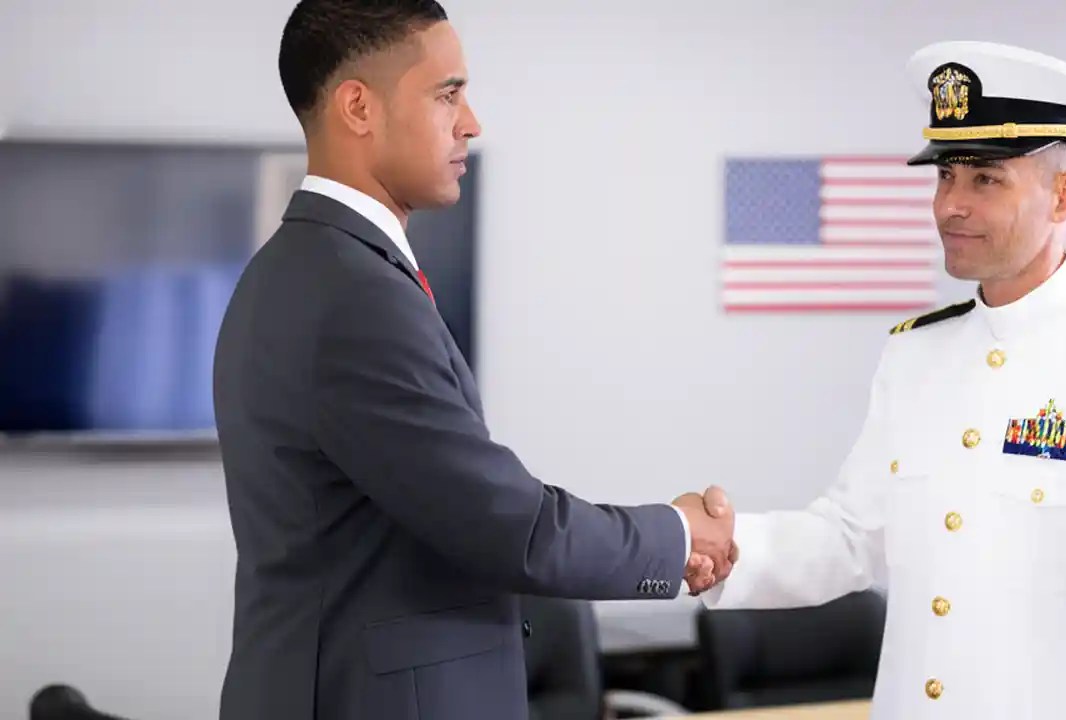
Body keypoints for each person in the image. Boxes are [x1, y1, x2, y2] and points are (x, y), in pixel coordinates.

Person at [212, 2, 734, 718]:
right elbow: (507, 527)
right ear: (358, 106)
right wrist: (674, 537)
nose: (471, 122)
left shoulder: (304, 269)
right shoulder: (353, 296)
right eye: (447, 93)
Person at [691, 41, 1066, 719]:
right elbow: (850, 537)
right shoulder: (915, 357)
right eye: (946, 176)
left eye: (985, 179)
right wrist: (721, 548)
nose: (950, 205)